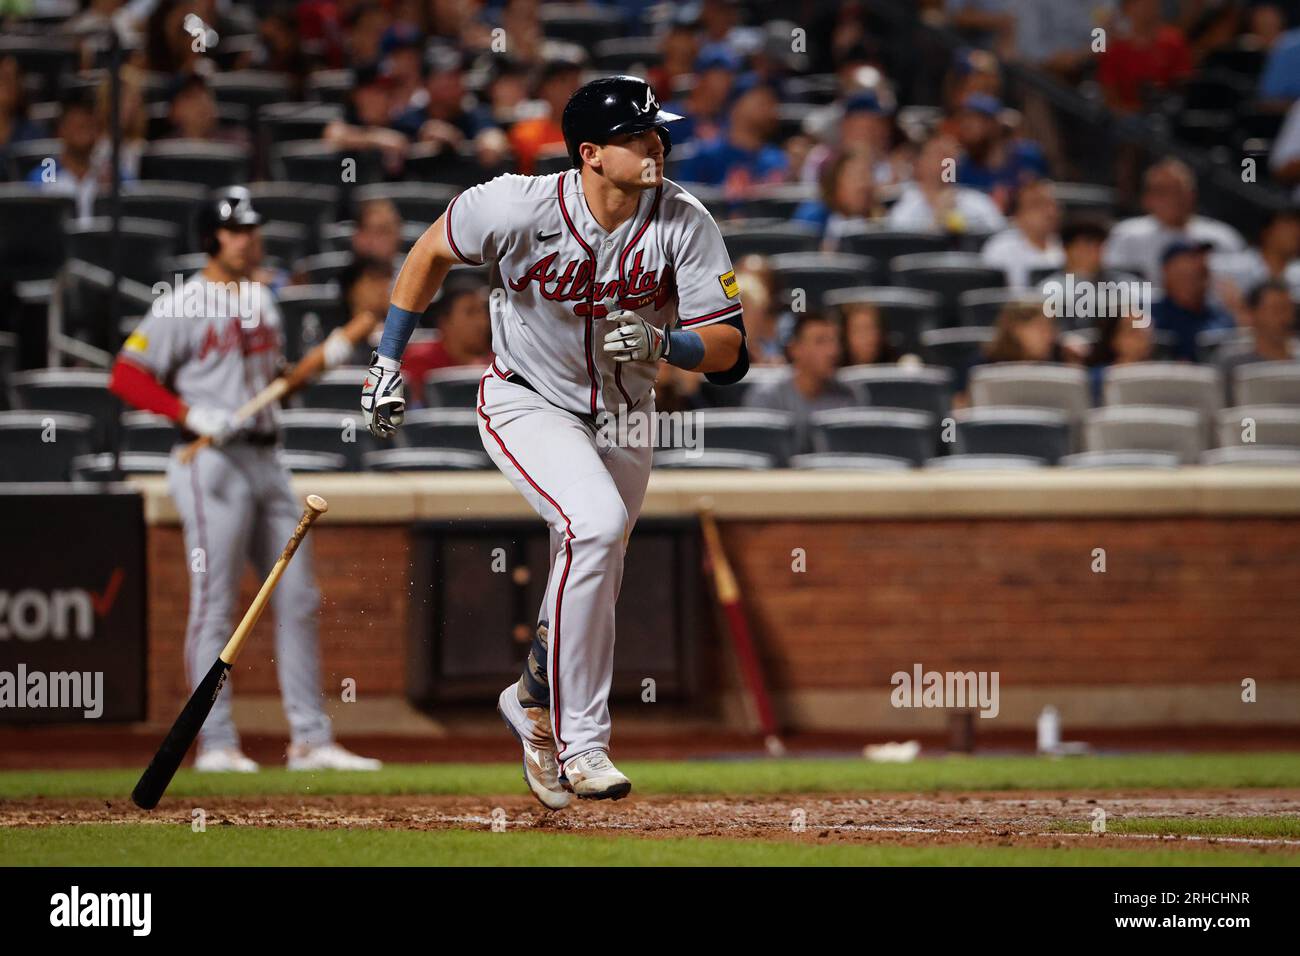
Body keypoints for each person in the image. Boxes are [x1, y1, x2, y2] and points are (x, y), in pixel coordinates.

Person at [359, 76, 747, 808]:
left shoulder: (684, 221)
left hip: (629, 413)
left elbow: (732, 349)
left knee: (596, 560)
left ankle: (530, 698)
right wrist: (387, 362)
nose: (655, 143)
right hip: (527, 401)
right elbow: (429, 252)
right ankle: (582, 745)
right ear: (591, 153)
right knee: (595, 527)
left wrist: (672, 345)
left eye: (656, 131)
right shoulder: (516, 204)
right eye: (638, 135)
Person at [107, 188, 381, 773]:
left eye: (252, 228)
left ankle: (309, 739)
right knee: (214, 607)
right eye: (236, 230)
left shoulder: (263, 298)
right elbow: (127, 377)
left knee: (299, 597)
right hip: (211, 465)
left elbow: (276, 383)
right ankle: (218, 743)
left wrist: (328, 355)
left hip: (266, 457)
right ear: (211, 238)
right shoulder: (182, 303)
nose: (249, 238)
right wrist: (190, 413)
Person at [1103, 158, 1245, 282]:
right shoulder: (1127, 235)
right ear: (1146, 198)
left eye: (1178, 190)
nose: (1172, 198)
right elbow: (1112, 283)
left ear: (1192, 195)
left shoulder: (1223, 237)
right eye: (1161, 190)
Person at [744, 312, 858, 455]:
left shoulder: (848, 395)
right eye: (820, 341)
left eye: (835, 341)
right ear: (795, 349)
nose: (833, 351)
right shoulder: (767, 396)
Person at [887, 132, 1006, 236]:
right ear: (920, 162)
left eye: (952, 156)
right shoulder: (903, 200)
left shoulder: (978, 201)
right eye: (940, 155)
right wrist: (937, 218)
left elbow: (998, 236)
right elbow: (898, 243)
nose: (947, 162)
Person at [400, 276, 494, 395]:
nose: (482, 322)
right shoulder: (419, 361)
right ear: (444, 322)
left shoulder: (499, 364)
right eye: (470, 312)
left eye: (483, 312)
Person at [1097, 0, 1193, 114]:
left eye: (1152, 3)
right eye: (1141, 3)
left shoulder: (1174, 41)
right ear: (1127, 9)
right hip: (1128, 121)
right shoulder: (1115, 49)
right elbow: (1110, 100)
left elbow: (1185, 86)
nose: (1148, 7)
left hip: (1167, 115)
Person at [1151, 239, 1235, 362]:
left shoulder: (1221, 318)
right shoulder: (1148, 317)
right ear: (1166, 272)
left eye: (1200, 274)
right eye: (1184, 275)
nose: (1196, 264)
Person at [1217, 279, 1298, 404]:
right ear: (1252, 314)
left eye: (1288, 309)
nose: (1285, 318)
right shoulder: (1232, 363)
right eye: (1276, 310)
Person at [981, 179, 1064, 289]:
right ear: (1017, 216)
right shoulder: (1000, 249)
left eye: (1052, 205)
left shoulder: (1067, 247)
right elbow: (993, 298)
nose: (1050, 212)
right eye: (1037, 205)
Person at [1086, 308, 1156, 403]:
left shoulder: (1160, 379)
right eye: (1132, 331)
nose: (1141, 336)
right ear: (1114, 340)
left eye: (1145, 330)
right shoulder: (1095, 380)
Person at [839, 302, 899, 366]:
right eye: (858, 330)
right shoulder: (833, 371)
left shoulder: (897, 367)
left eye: (871, 328)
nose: (866, 338)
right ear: (845, 336)